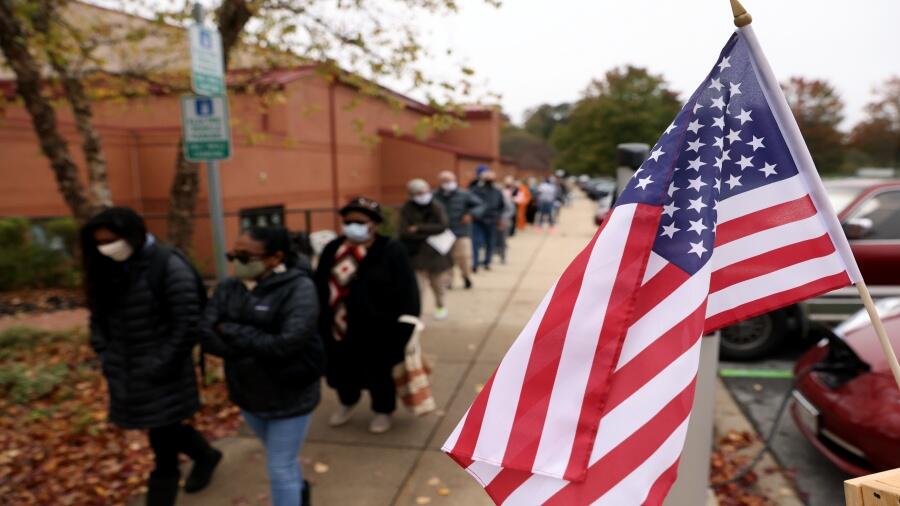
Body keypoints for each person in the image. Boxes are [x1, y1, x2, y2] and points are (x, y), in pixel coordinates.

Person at [81, 207, 220, 506]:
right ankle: (206, 455)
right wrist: (104, 353)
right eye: (100, 242)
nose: (106, 247)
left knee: (163, 444)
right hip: (126, 369)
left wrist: (157, 365)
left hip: (163, 371)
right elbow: (98, 316)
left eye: (111, 240)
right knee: (162, 427)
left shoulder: (168, 266)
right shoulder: (108, 265)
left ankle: (163, 493)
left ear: (132, 235)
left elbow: (188, 325)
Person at [200, 226, 323, 506]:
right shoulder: (229, 287)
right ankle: (300, 492)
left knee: (279, 467)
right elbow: (206, 332)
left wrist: (231, 330)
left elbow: (285, 344)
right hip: (248, 392)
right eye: (234, 253)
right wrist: (254, 344)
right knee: (282, 458)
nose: (237, 260)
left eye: (245, 255)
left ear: (274, 257)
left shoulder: (299, 289)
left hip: (290, 394)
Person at [315, 197, 421, 434]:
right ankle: (347, 402)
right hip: (337, 326)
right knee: (341, 371)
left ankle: (383, 410)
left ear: (374, 224)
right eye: (348, 220)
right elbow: (319, 283)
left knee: (379, 374)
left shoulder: (391, 250)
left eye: (360, 221)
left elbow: (408, 292)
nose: (353, 225)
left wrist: (405, 328)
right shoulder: (333, 248)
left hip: (377, 330)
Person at [399, 179, 453, 320]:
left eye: (424, 192)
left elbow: (442, 226)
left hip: (436, 254)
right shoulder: (407, 208)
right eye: (419, 193)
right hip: (416, 254)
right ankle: (418, 312)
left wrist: (418, 228)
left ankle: (440, 306)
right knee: (418, 288)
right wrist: (427, 231)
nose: (423, 195)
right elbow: (404, 231)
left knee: (438, 285)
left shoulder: (436, 206)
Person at [434, 170, 483, 290]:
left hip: (461, 231)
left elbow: (480, 205)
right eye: (444, 181)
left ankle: (466, 276)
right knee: (446, 259)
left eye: (449, 181)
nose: (447, 183)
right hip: (443, 233)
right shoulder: (435, 196)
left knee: (464, 257)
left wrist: (471, 214)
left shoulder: (464, 194)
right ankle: (448, 281)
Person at [469, 168, 506, 272]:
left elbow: (501, 206)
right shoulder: (475, 190)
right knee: (476, 242)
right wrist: (473, 214)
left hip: (492, 220)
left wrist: (499, 218)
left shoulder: (497, 192)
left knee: (491, 242)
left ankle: (487, 262)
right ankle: (475, 263)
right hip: (478, 220)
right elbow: (470, 204)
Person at [495, 180, 516, 264]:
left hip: (504, 221)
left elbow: (511, 210)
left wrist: (503, 218)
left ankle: (503, 257)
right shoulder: (493, 199)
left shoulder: (505, 199)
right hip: (493, 221)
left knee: (502, 240)